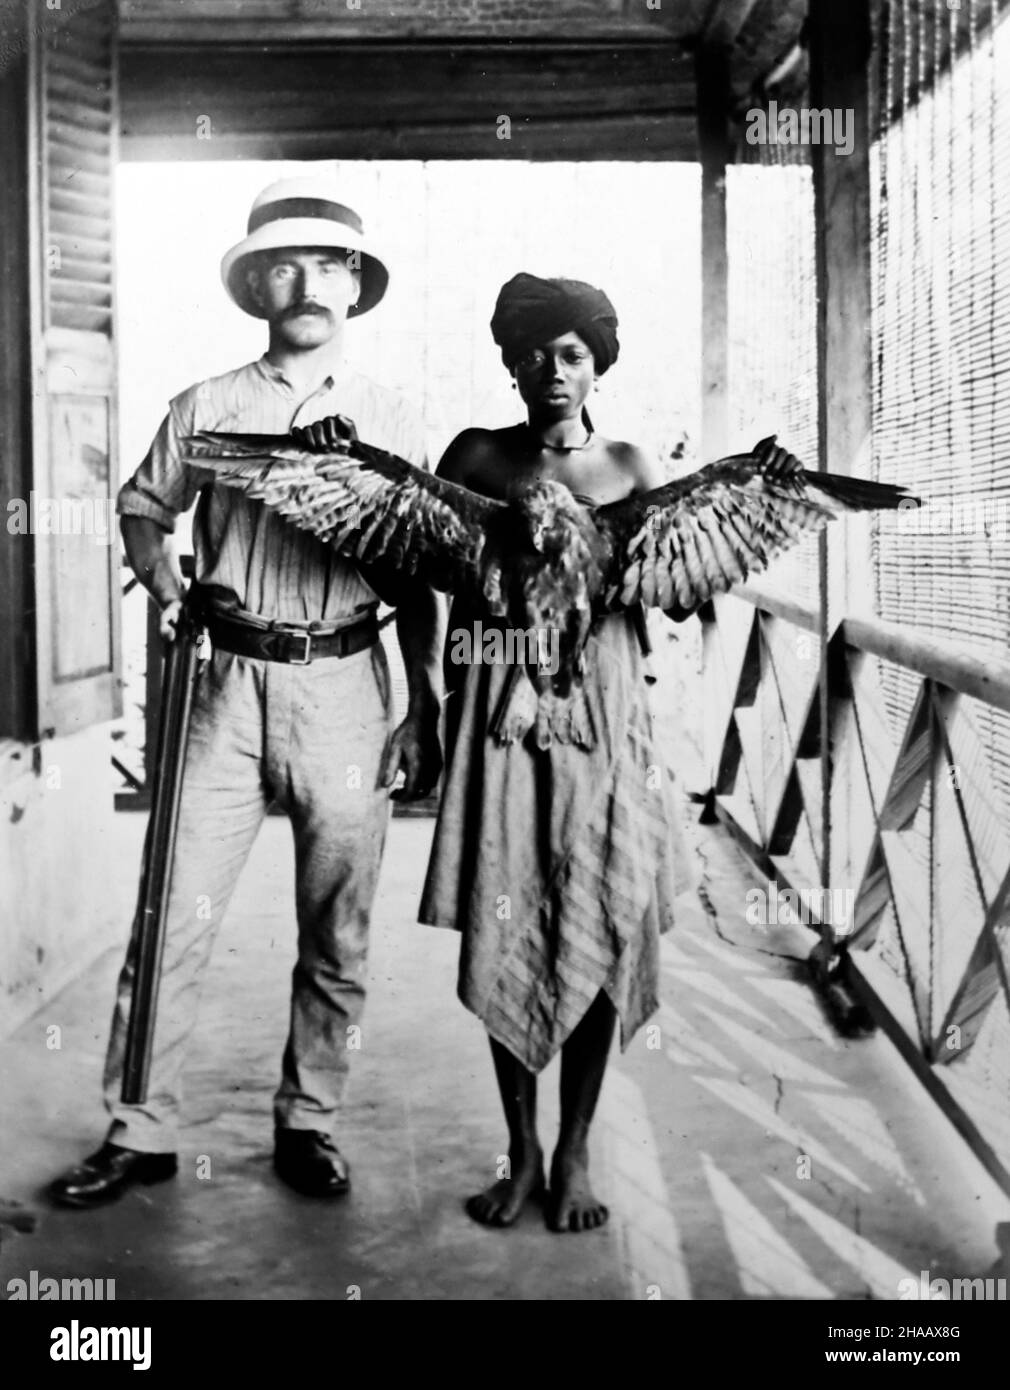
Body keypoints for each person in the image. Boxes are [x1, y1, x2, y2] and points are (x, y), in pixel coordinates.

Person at [49, 176, 442, 1209]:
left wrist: (426, 703)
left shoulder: (398, 415)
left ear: (355, 287)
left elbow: (414, 573)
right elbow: (141, 506)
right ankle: (139, 1128)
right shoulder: (206, 404)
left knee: (340, 925)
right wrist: (162, 569)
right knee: (170, 910)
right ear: (255, 283)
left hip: (350, 684)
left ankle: (309, 1120)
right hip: (226, 685)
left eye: (328, 264)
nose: (306, 282)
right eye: (284, 263)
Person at [416, 273, 799, 1233]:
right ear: (511, 361)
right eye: (536, 352)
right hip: (503, 714)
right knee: (507, 921)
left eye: (574, 354)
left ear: (598, 365)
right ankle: (524, 1149)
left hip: (607, 715)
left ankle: (577, 1147)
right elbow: (425, 576)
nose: (554, 370)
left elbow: (678, 595)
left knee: (597, 916)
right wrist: (431, 691)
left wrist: (749, 495)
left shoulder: (631, 463)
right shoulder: (473, 456)